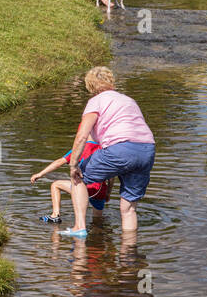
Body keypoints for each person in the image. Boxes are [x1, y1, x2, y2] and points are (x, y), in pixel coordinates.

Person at [63, 66, 155, 239]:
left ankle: (79, 227)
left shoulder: (96, 101)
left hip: (120, 148)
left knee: (78, 177)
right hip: (147, 150)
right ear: (111, 81)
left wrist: (74, 164)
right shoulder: (129, 100)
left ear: (90, 86)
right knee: (128, 209)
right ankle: (129, 254)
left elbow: (82, 136)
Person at [31, 140, 110, 224]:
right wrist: (108, 193)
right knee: (97, 220)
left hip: (84, 187)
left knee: (55, 185)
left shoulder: (81, 148)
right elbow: (110, 175)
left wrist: (40, 174)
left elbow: (59, 162)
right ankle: (98, 233)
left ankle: (55, 215)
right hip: (100, 190)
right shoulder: (105, 149)